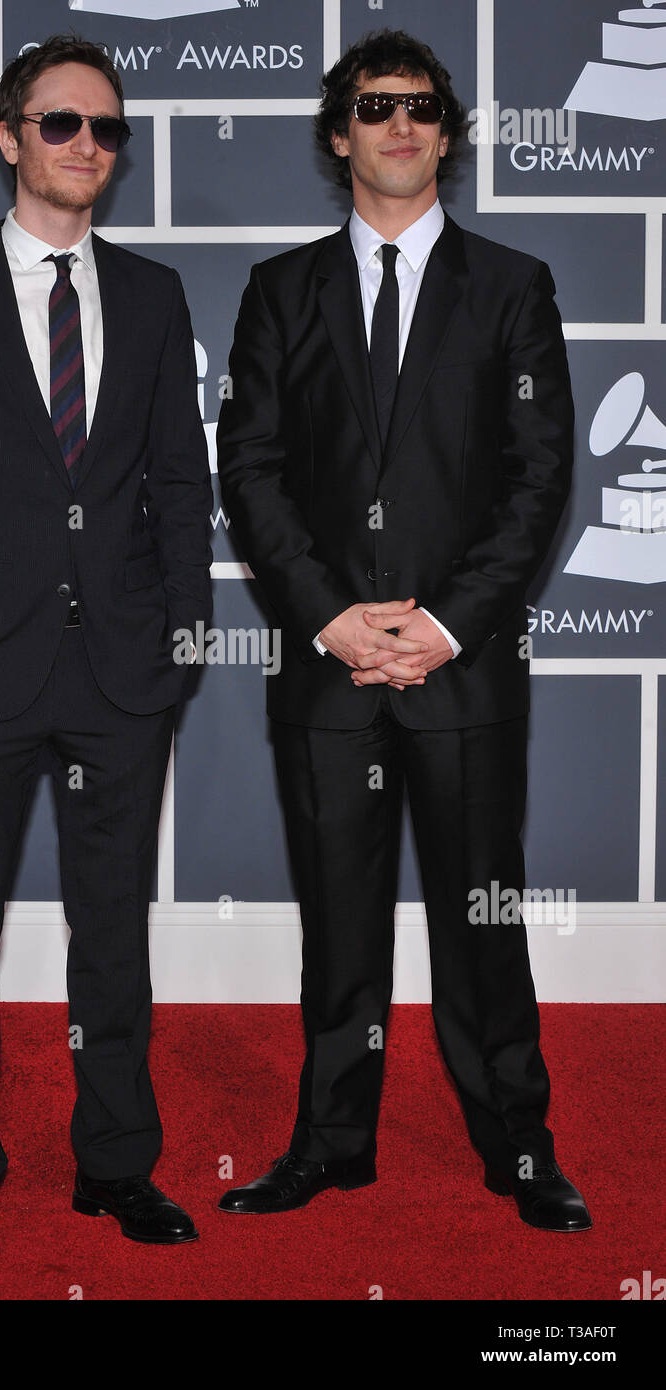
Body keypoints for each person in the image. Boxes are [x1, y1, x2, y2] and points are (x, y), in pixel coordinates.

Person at [216, 28, 591, 1232]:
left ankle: (517, 1146)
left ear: (446, 132)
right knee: (338, 923)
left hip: (461, 666)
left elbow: (536, 479)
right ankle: (330, 1144)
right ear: (339, 133)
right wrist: (330, 616)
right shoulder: (280, 289)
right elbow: (252, 468)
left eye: (422, 107)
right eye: (373, 105)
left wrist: (440, 624)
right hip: (329, 669)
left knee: (483, 918)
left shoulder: (512, 286)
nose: (399, 124)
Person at [0, 34, 212, 1265]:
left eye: (107, 129)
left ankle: (115, 1164)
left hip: (122, 671)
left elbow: (181, 479)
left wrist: (181, 637)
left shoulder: (159, 295)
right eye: (61, 123)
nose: (86, 147)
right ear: (10, 137)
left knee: (111, 927)